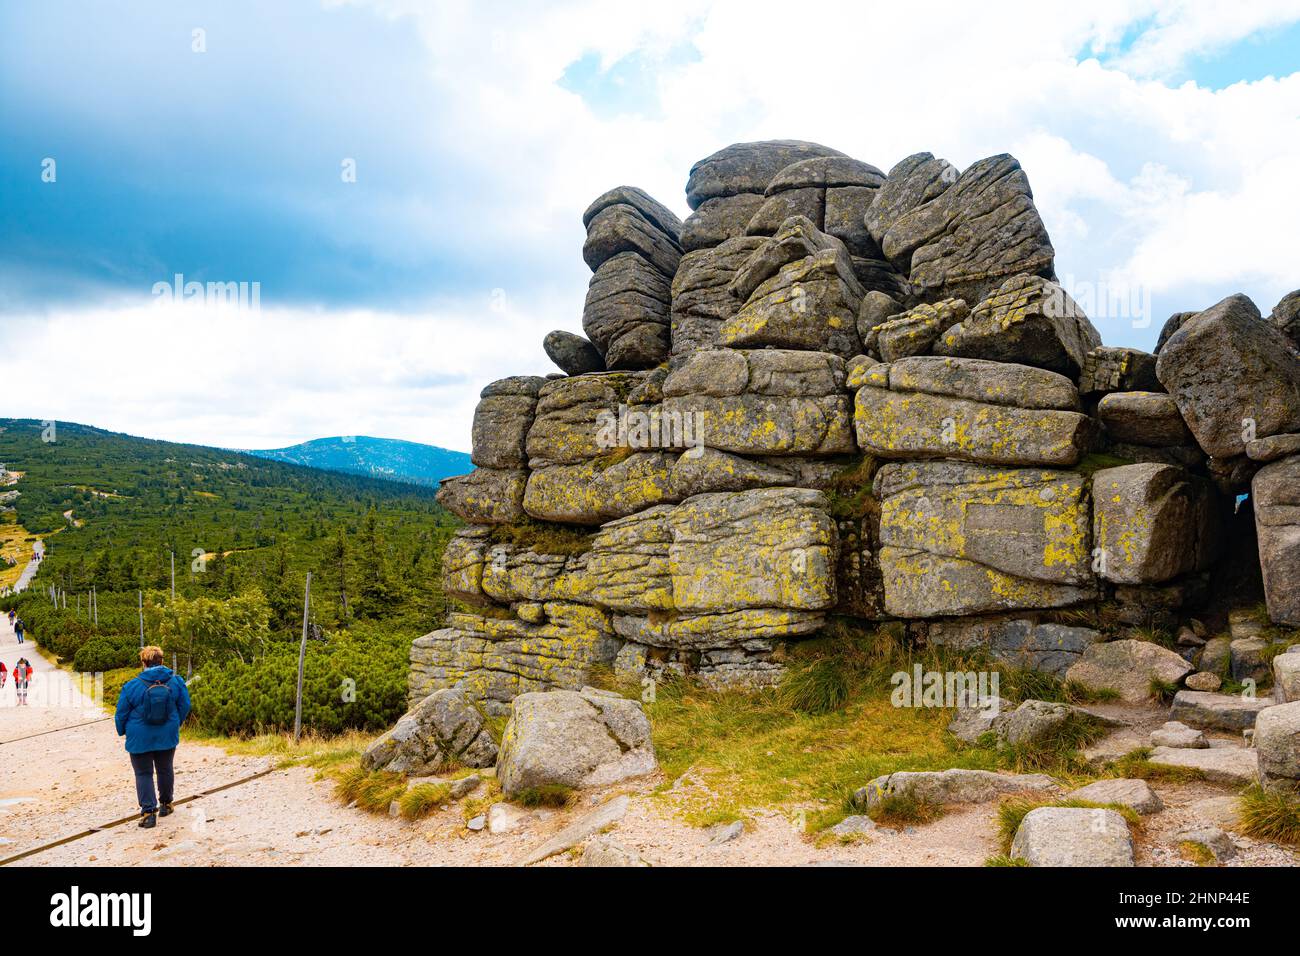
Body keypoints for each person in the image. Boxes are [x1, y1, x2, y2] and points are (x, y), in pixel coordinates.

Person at [114, 646, 191, 828]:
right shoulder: (176, 681)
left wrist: (122, 731)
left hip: (139, 737)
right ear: (162, 661)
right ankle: (166, 804)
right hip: (167, 734)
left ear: (144, 663)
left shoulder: (132, 685)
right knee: (165, 769)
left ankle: (149, 813)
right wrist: (174, 723)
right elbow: (185, 705)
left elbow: (121, 714)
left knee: (143, 773)